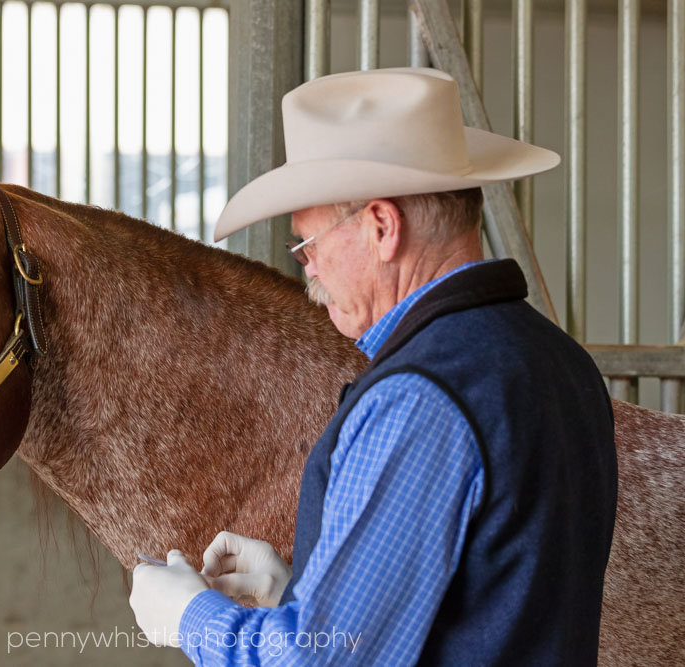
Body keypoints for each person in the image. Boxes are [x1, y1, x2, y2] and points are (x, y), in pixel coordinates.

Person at [129, 67, 618, 665]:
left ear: (382, 227)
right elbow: (490, 608)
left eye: (308, 243)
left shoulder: (418, 397)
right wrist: (298, 591)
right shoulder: (560, 360)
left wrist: (188, 616)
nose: (308, 267)